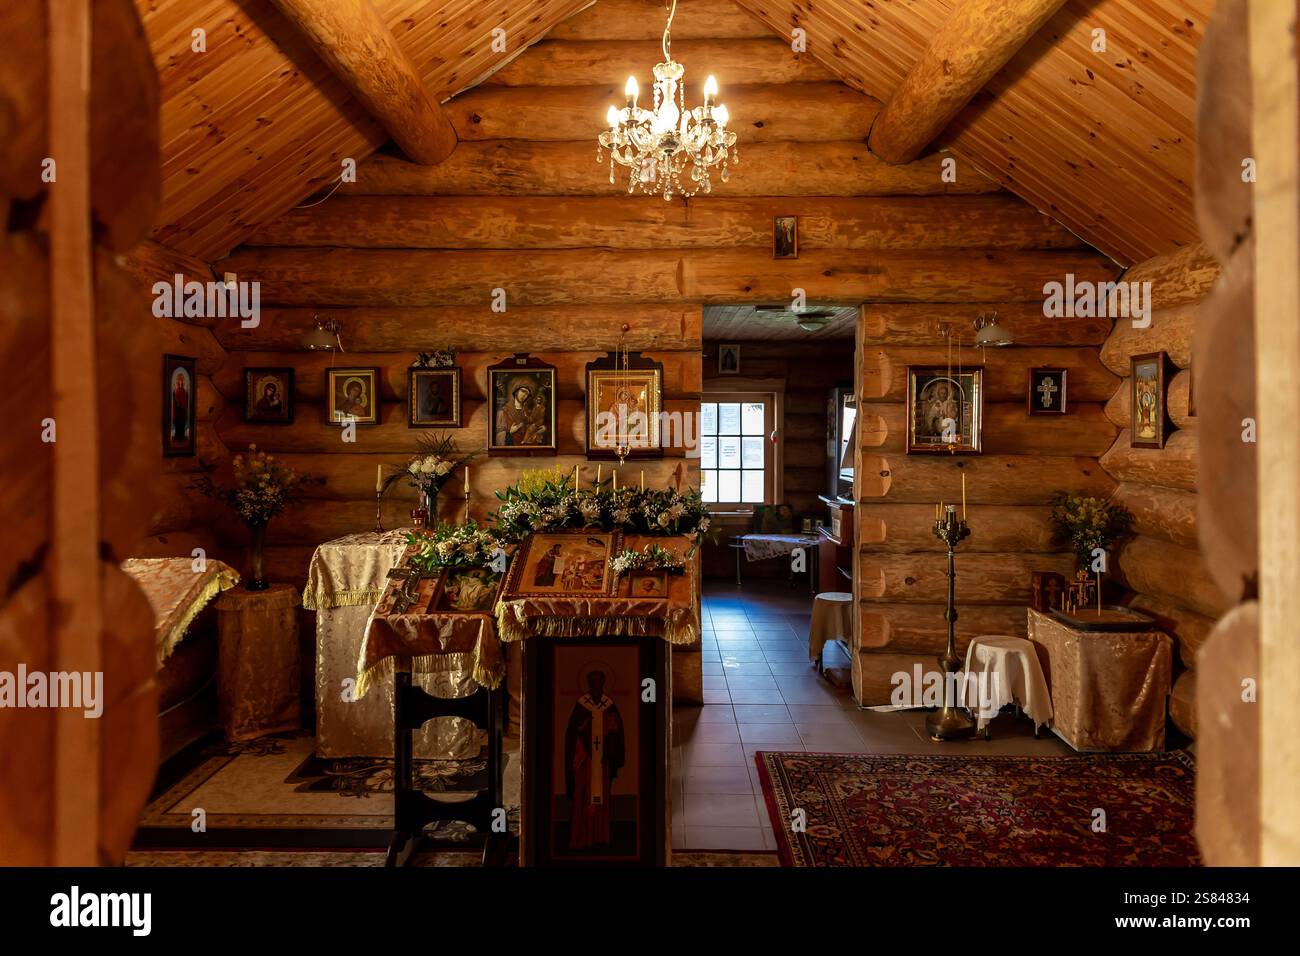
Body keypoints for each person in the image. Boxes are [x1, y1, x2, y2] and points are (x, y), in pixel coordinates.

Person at [564, 669, 624, 849]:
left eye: (599, 682)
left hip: (602, 760)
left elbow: (616, 733)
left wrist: (610, 749)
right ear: (589, 684)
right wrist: (583, 734)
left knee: (602, 796)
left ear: (603, 684)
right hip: (583, 760)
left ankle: (601, 838)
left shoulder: (609, 705)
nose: (596, 686)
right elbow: (572, 732)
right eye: (593, 682)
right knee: (582, 795)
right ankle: (579, 839)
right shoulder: (582, 705)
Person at [495, 376, 546, 446]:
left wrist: (540, 429)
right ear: (516, 391)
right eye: (523, 391)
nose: (524, 395)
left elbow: (532, 424)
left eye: (527, 394)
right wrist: (509, 432)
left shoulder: (528, 411)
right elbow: (497, 436)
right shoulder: (503, 411)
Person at [171, 369, 190, 443]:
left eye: (181, 380)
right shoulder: (177, 390)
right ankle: (178, 436)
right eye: (179, 380)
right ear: (177, 380)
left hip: (182, 410)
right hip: (178, 410)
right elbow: (175, 400)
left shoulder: (183, 390)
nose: (180, 381)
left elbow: (185, 400)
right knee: (178, 424)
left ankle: (181, 436)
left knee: (181, 424)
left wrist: (186, 393)